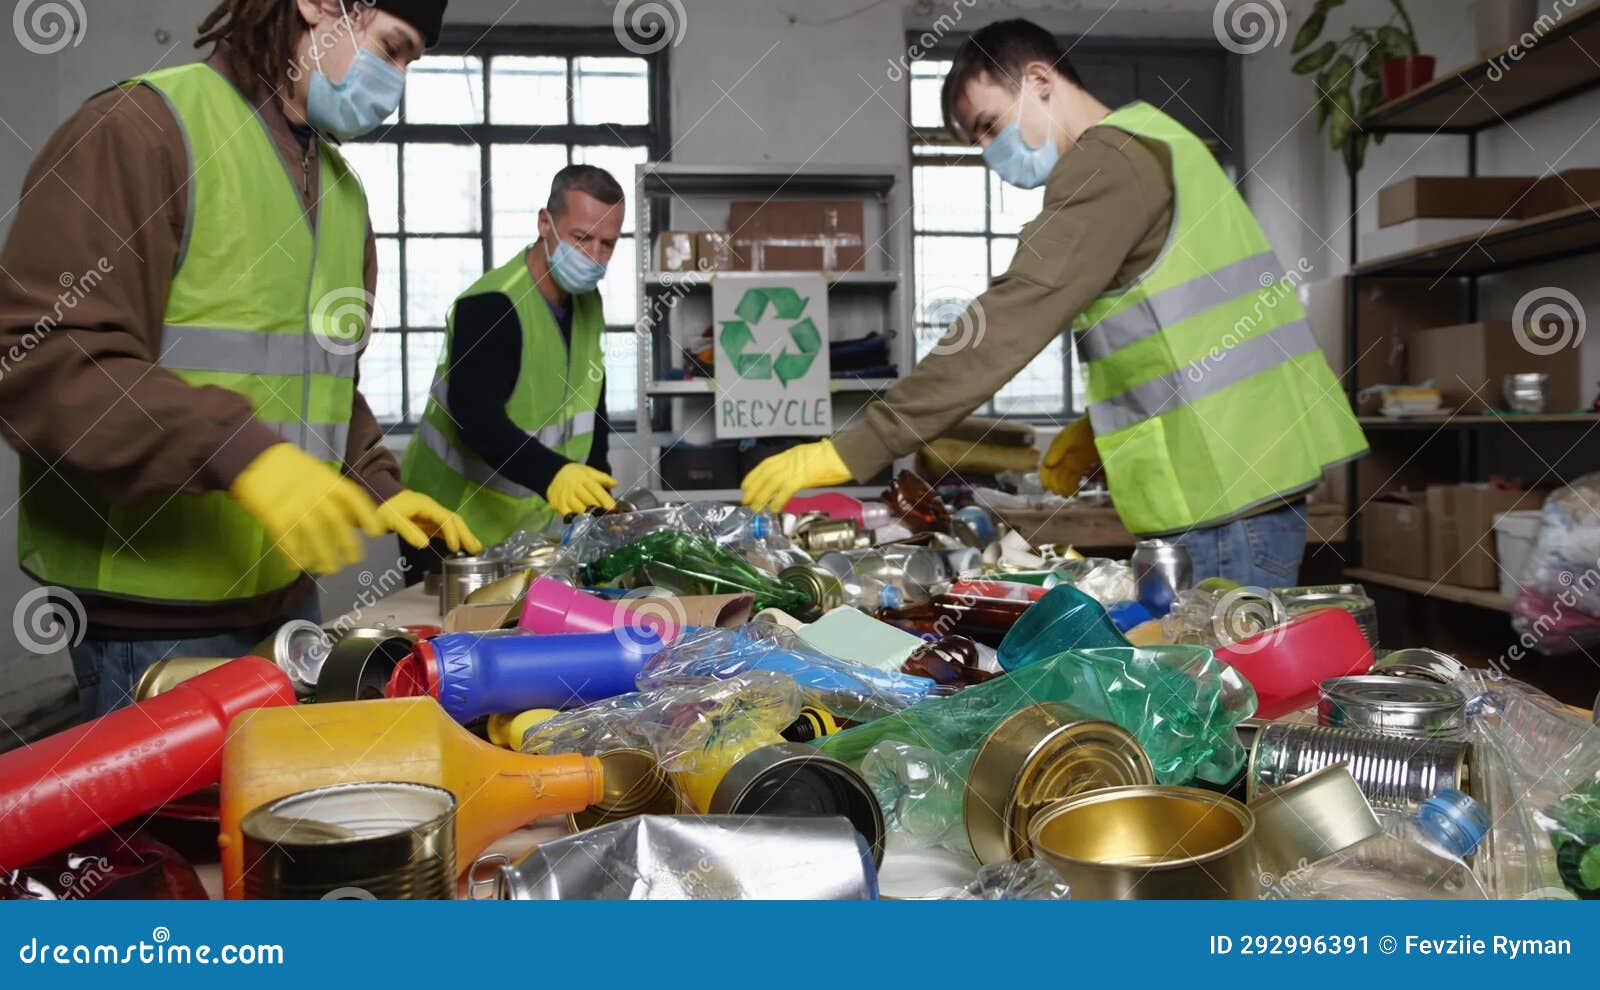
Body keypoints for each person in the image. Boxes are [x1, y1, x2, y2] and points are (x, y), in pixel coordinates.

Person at [741, 19, 1367, 588]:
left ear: (1040, 80)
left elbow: (1013, 316)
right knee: (1211, 688)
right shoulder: (1159, 140)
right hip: (1240, 477)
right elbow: (1180, 326)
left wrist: (854, 447)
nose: (989, 151)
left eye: (989, 124)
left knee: (1220, 696)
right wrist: (1100, 429)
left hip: (1225, 496)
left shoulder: (1107, 162)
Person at [0, 0, 480, 718]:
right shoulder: (141, 131)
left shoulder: (342, 193)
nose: (397, 81)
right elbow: (41, 357)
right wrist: (240, 451)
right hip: (153, 629)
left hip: (287, 606)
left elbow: (320, 381)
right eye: (393, 47)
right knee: (166, 835)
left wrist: (377, 480)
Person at [400, 164, 625, 565]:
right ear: (544, 223)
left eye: (607, 244)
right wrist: (552, 473)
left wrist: (597, 501)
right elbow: (476, 418)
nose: (594, 257)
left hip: (524, 528)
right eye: (581, 238)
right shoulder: (491, 305)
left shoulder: (588, 302)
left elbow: (592, 403)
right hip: (449, 524)